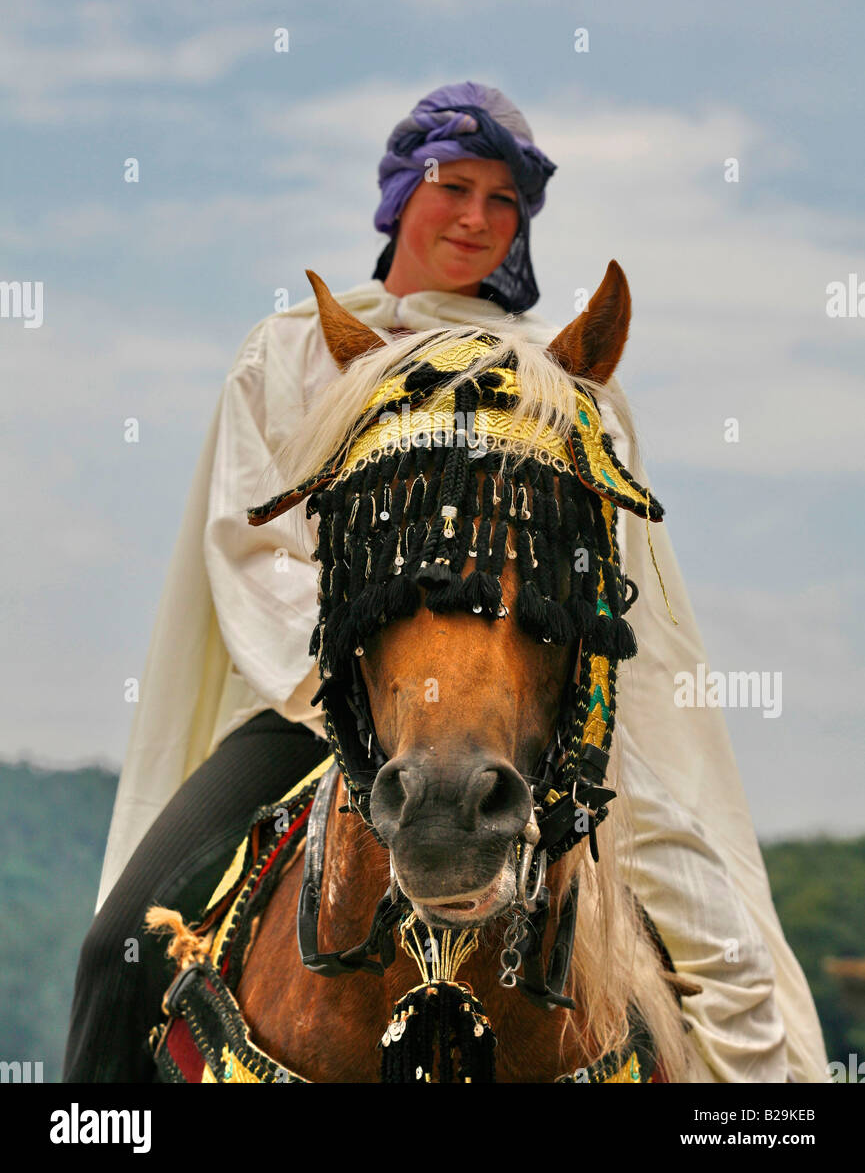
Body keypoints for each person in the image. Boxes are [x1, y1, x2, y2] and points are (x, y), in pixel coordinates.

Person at [63, 81, 828, 1084]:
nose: (474, 216)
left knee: (730, 966)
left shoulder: (563, 380)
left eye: (503, 201)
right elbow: (253, 558)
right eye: (452, 186)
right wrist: (367, 693)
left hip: (536, 713)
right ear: (396, 199)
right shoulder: (290, 352)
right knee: (118, 943)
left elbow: (606, 584)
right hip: (312, 704)